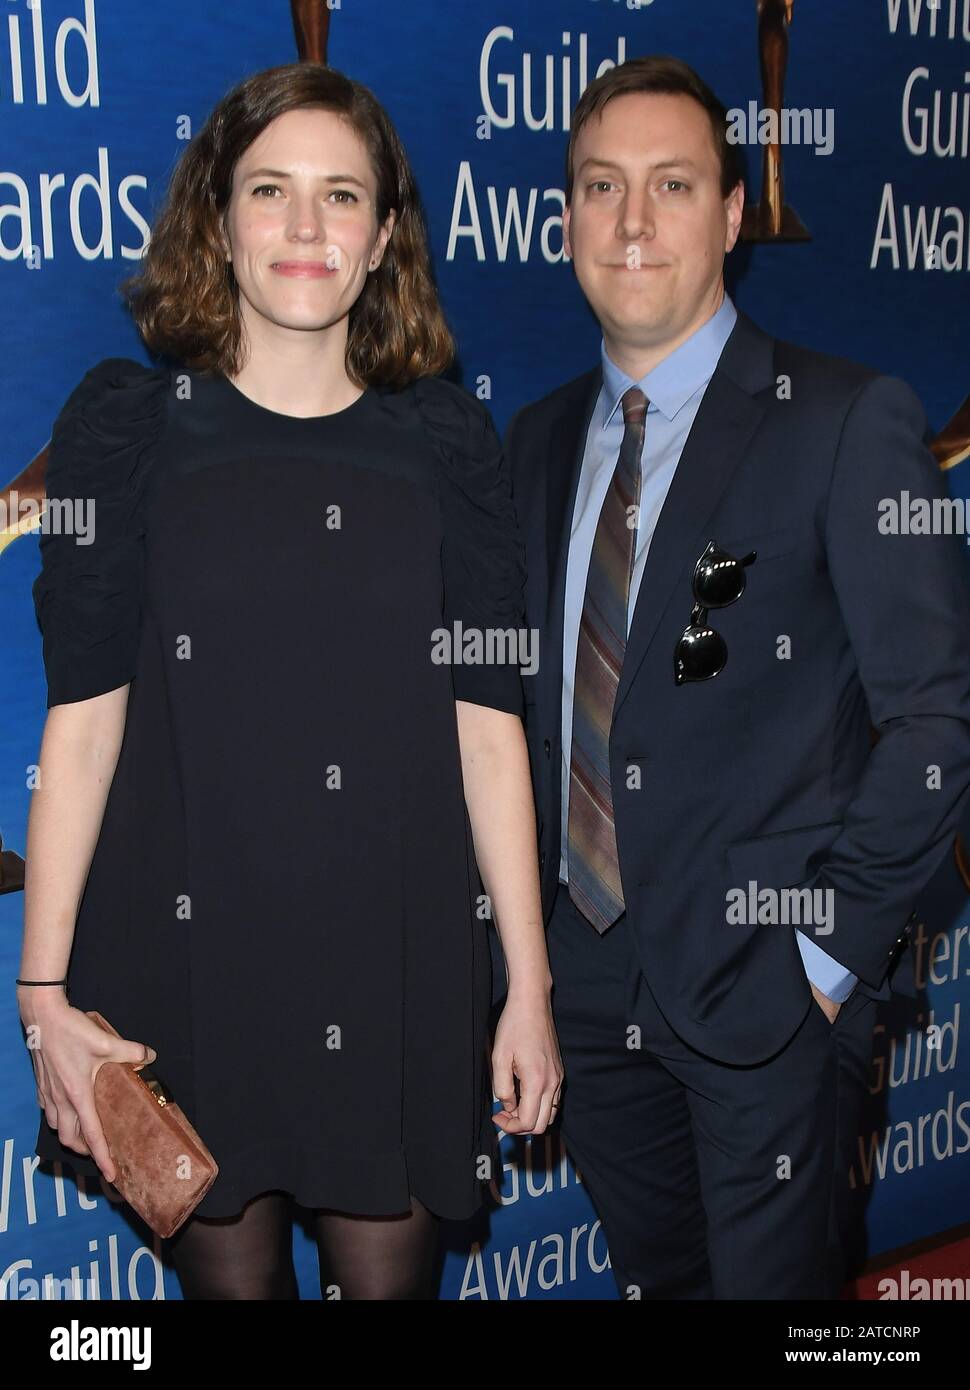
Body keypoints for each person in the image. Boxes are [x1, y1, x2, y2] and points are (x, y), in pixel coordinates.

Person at [18, 61, 562, 1301]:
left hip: (401, 962)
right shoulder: (129, 429)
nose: (307, 227)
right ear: (219, 223)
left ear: (382, 241)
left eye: (341, 197)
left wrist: (526, 986)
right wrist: (42, 991)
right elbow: (86, 721)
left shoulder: (444, 442)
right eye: (272, 191)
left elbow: (490, 732)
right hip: (194, 963)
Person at [505, 54, 970, 1299]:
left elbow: (936, 722)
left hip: (771, 996)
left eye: (672, 184)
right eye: (602, 187)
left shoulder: (844, 418)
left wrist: (824, 962)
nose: (634, 220)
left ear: (730, 215)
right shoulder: (535, 443)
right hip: (587, 991)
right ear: (566, 225)